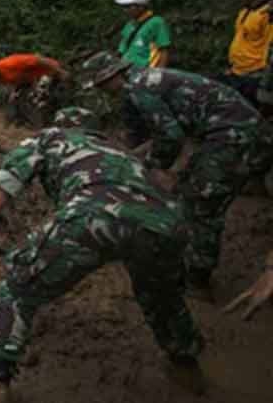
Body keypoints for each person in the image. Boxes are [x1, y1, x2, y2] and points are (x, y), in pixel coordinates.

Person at [0, 107, 205, 403]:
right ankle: (186, 368)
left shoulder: (50, 137)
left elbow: (7, 179)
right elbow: (163, 187)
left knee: (17, 285)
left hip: (94, 213)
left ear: (62, 124)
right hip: (167, 224)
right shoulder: (121, 151)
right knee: (162, 295)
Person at [82, 51, 273, 299]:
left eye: (101, 86)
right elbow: (170, 128)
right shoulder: (149, 79)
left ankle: (197, 279)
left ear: (112, 76)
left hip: (235, 135)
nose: (103, 92)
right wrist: (137, 154)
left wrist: (155, 165)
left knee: (201, 201)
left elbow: (170, 135)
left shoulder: (138, 88)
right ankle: (190, 259)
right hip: (231, 131)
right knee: (189, 187)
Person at [0, 54, 69, 125]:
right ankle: (30, 121)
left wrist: (60, 71)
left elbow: (39, 59)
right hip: (30, 81)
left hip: (48, 72)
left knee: (45, 98)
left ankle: (60, 115)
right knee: (14, 100)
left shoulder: (11, 63)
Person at [220, 0, 272, 105]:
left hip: (254, 77)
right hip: (235, 73)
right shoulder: (244, 12)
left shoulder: (267, 15)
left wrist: (264, 82)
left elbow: (269, 49)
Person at [115, 0, 171, 68]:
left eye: (128, 6)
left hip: (146, 71)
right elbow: (121, 49)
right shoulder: (129, 25)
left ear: (141, 7)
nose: (125, 10)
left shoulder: (157, 22)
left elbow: (164, 50)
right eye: (124, 7)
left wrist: (159, 73)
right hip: (127, 70)